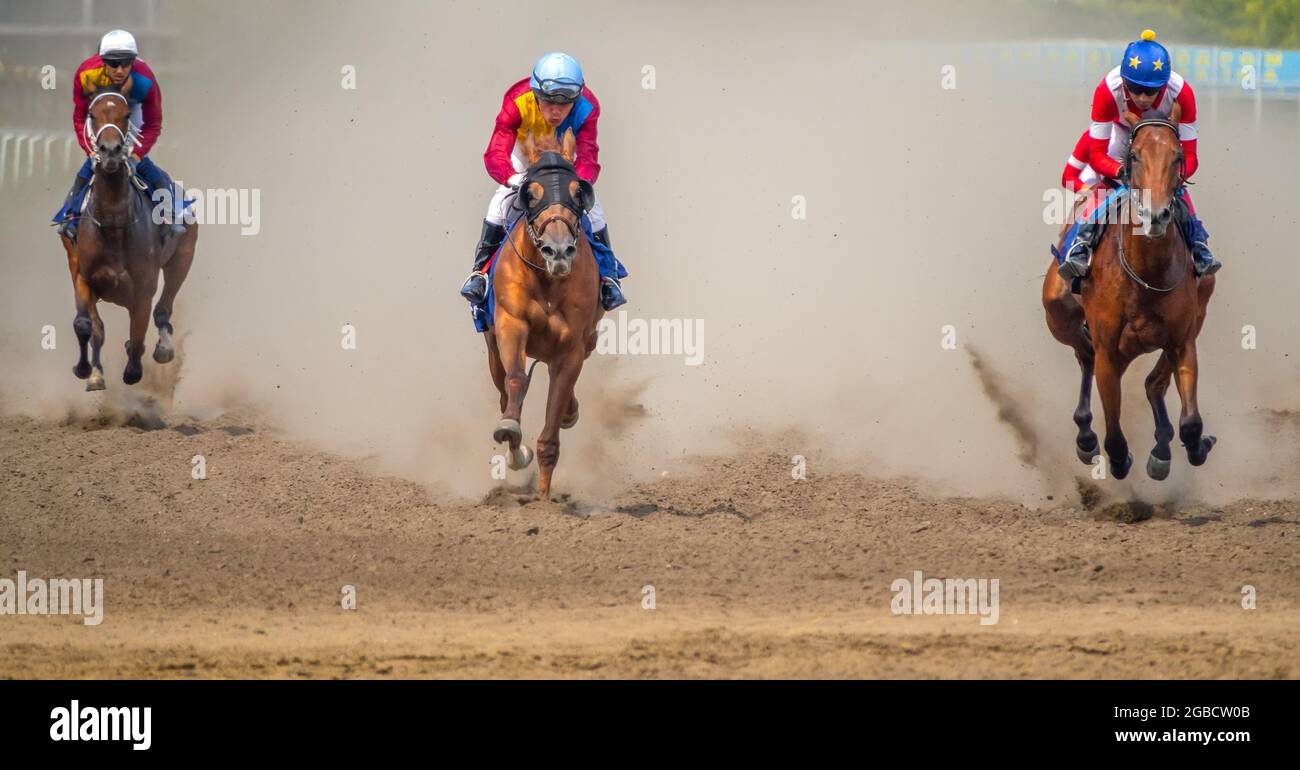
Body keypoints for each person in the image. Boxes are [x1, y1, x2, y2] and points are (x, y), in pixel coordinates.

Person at [460, 51, 626, 311]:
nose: (556, 111)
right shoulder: (516, 100)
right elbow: (496, 152)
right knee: (500, 203)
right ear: (537, 93)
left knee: (594, 211)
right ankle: (479, 274)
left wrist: (577, 183)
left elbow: (588, 155)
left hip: (566, 159)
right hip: (526, 155)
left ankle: (608, 278)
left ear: (577, 98)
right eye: (549, 102)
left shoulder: (588, 107)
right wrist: (511, 178)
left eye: (565, 103)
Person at [1058, 29, 1219, 280]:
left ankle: (1199, 244)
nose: (1142, 98)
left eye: (1151, 91)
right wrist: (1122, 172)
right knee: (1108, 186)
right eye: (1134, 89)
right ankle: (1080, 244)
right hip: (1122, 133)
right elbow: (1097, 154)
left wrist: (1170, 177)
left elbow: (1190, 156)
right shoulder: (1106, 90)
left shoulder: (1182, 93)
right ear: (1123, 82)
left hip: (1163, 140)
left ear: (1163, 86)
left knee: (1172, 185)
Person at [52, 29, 186, 241]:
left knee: (140, 164)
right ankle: (70, 215)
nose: (120, 69)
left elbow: (153, 124)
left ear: (134, 61)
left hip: (131, 110)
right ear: (102, 60)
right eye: (114, 63)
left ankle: (171, 214)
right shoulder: (86, 74)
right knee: (93, 164)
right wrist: (91, 151)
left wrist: (136, 155)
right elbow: (80, 117)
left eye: (126, 62)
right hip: (100, 112)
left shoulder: (145, 80)